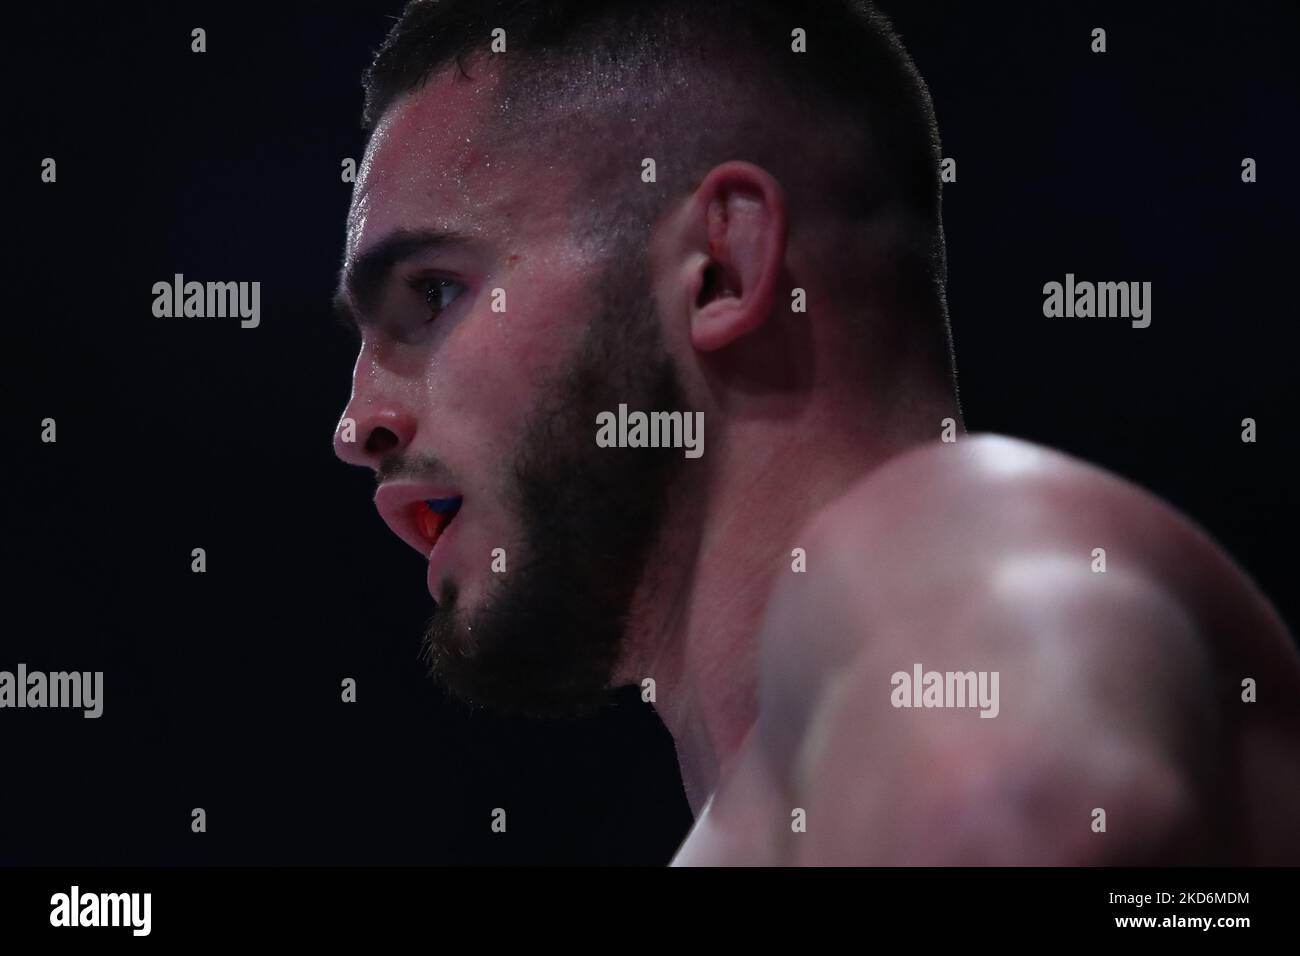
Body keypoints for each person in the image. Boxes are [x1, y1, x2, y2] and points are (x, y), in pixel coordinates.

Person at [331, 0, 1299, 864]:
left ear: (718, 265)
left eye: (433, 292)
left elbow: (1026, 795)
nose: (357, 422)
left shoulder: (966, 540)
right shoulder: (789, 771)